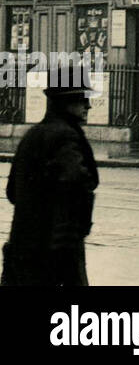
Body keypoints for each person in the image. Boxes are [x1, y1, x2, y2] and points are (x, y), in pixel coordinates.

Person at [2, 61, 100, 286]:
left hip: (21, 249)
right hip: (55, 257)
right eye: (81, 99)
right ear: (65, 102)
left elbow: (12, 193)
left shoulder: (32, 136)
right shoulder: (66, 137)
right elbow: (77, 185)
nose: (88, 106)